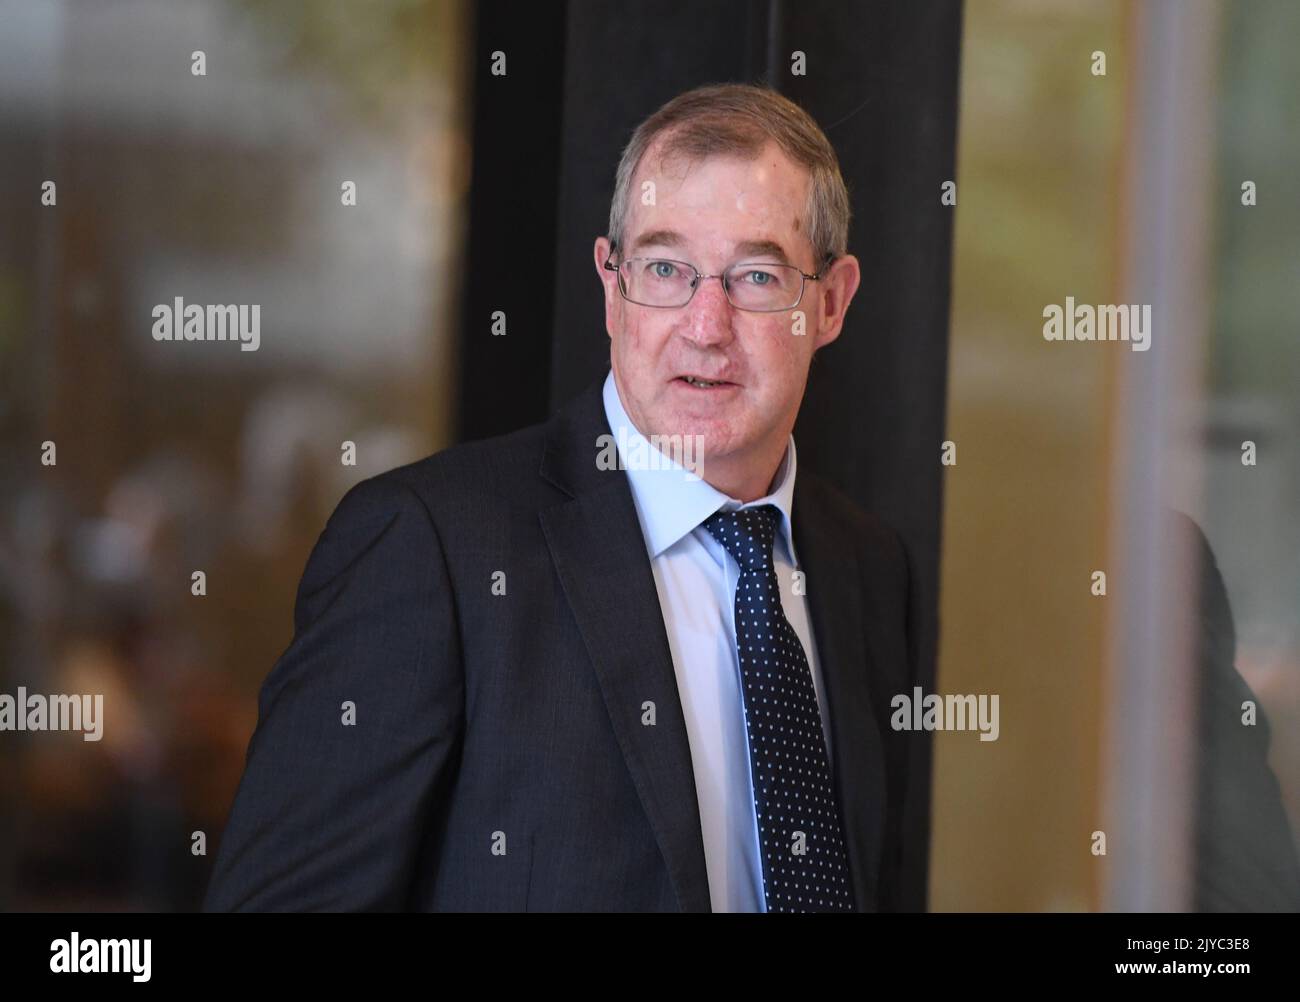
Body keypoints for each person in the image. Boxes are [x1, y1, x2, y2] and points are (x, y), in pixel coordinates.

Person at [202, 82, 921, 913]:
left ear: (829, 302)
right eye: (663, 268)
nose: (705, 324)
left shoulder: (867, 568)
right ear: (610, 286)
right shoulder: (432, 547)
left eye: (755, 278)